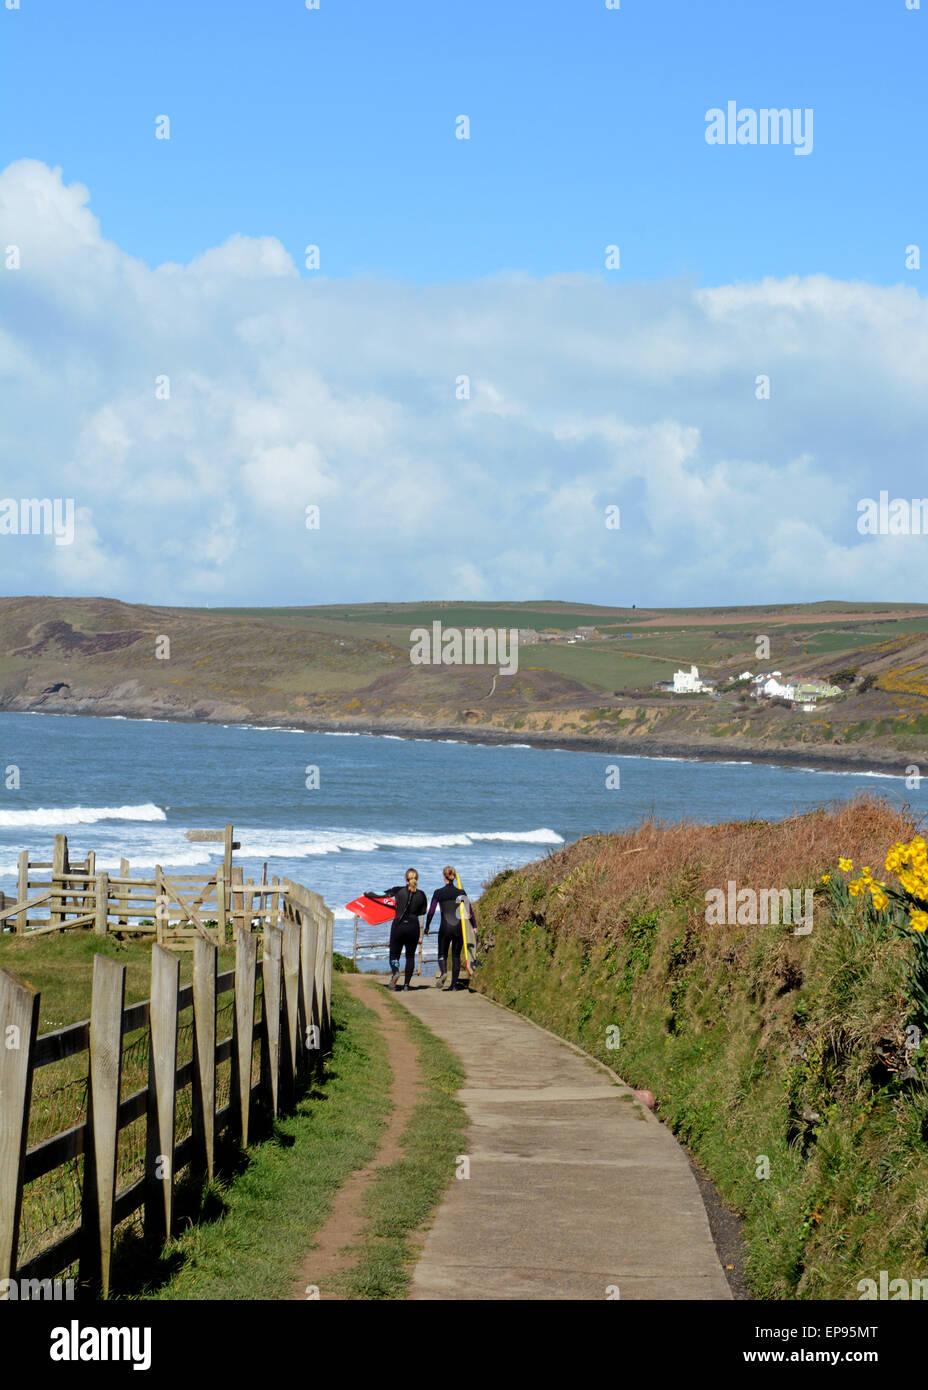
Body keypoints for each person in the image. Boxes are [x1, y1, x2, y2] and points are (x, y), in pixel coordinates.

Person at [365, 868, 427, 990]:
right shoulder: (421, 895)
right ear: (417, 878)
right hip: (413, 927)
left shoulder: (398, 890)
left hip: (398, 926)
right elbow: (423, 911)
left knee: (394, 954)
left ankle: (396, 972)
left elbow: (381, 894)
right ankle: (406, 985)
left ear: (405, 879)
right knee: (410, 956)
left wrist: (367, 894)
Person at [425, 865, 477, 991]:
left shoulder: (439, 892)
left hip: (445, 928)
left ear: (444, 877)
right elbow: (469, 911)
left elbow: (431, 911)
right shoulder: (460, 893)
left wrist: (427, 926)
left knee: (442, 953)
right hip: (458, 928)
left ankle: (443, 972)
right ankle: (453, 986)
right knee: (455, 956)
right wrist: (474, 925)